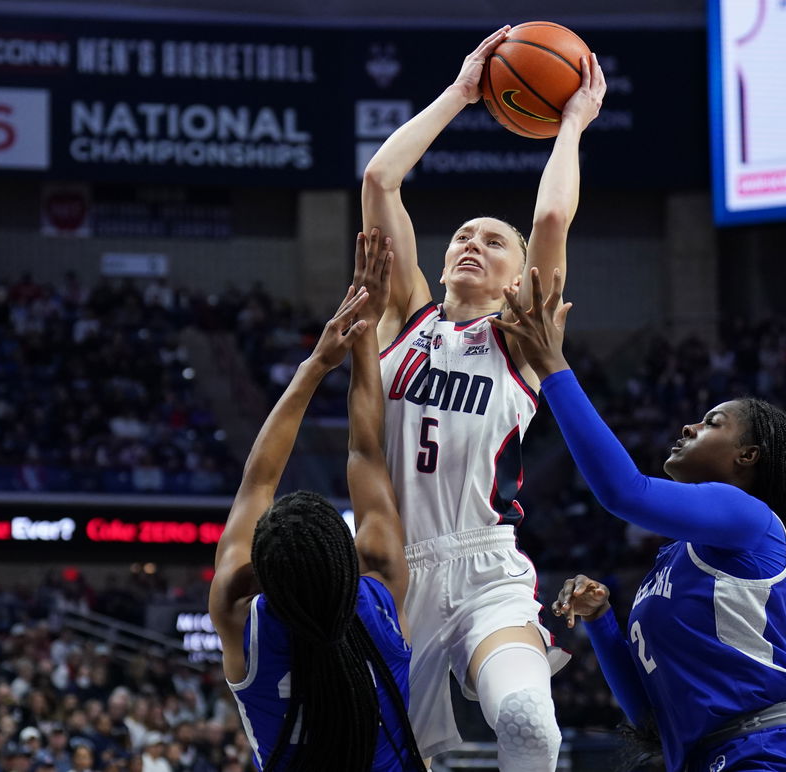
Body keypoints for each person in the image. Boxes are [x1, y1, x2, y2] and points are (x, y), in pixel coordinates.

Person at [360, 24, 606, 769]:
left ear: (516, 278)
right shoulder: (402, 321)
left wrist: (570, 125)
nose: (472, 242)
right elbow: (379, 180)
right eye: (462, 235)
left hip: (485, 567)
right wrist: (463, 91)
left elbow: (554, 219)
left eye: (494, 242)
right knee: (404, 761)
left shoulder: (522, 336)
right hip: (391, 575)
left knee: (531, 721)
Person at [492, 269, 786, 772]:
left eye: (712, 423)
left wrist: (551, 365)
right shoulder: (674, 558)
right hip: (706, 758)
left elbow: (622, 491)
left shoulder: (751, 518)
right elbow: (647, 714)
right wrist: (601, 621)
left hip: (772, 752)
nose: (690, 425)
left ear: (747, 457)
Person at [208, 232, 423, 771]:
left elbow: (257, 481)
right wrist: (363, 337)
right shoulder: (378, 587)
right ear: (346, 555)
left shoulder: (239, 612)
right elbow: (367, 452)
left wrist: (314, 366)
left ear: (261, 570)